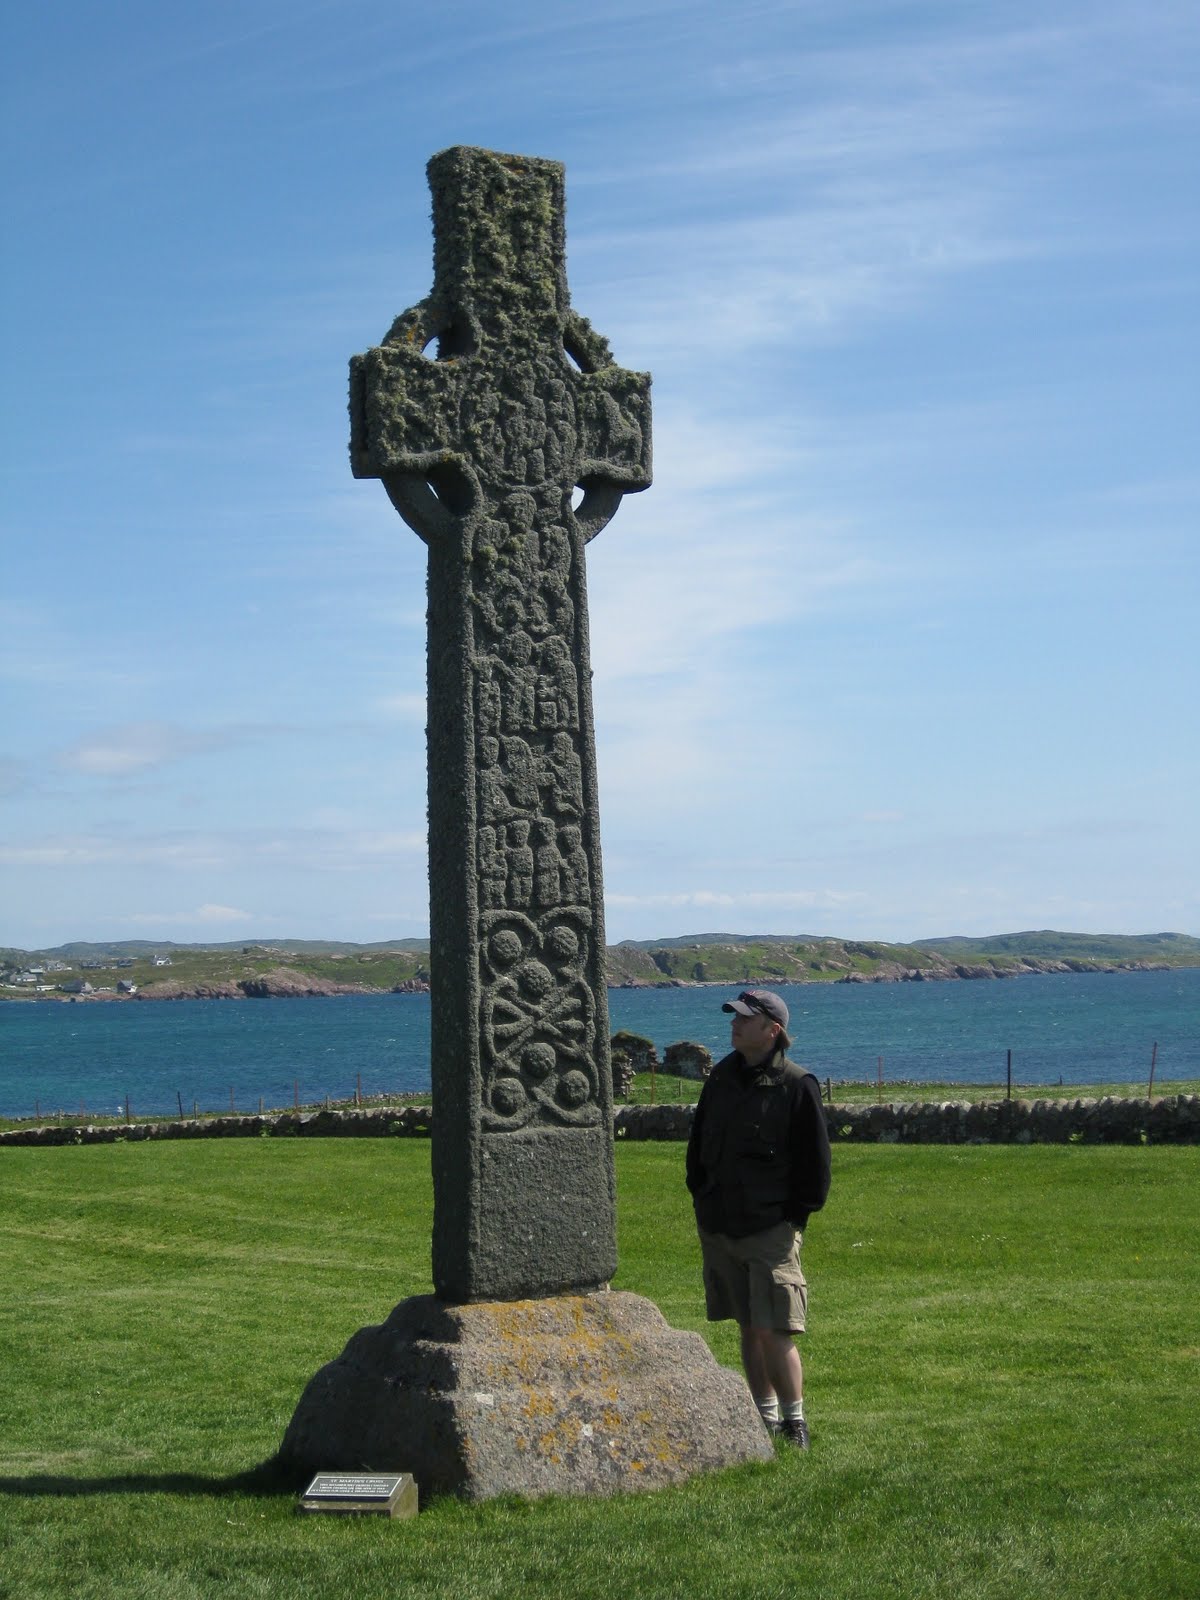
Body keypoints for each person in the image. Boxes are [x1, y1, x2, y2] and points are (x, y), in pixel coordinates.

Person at [685, 989, 831, 1448]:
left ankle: (795, 1423)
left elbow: (816, 1168)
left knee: (775, 1329)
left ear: (773, 1030)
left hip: (770, 1227)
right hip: (721, 1223)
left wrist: (792, 1218)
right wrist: (702, 1195)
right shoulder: (722, 1078)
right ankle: (763, 1420)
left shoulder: (797, 1084)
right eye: (734, 1017)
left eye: (746, 1019)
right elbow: (699, 1147)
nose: (735, 1024)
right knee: (747, 1326)